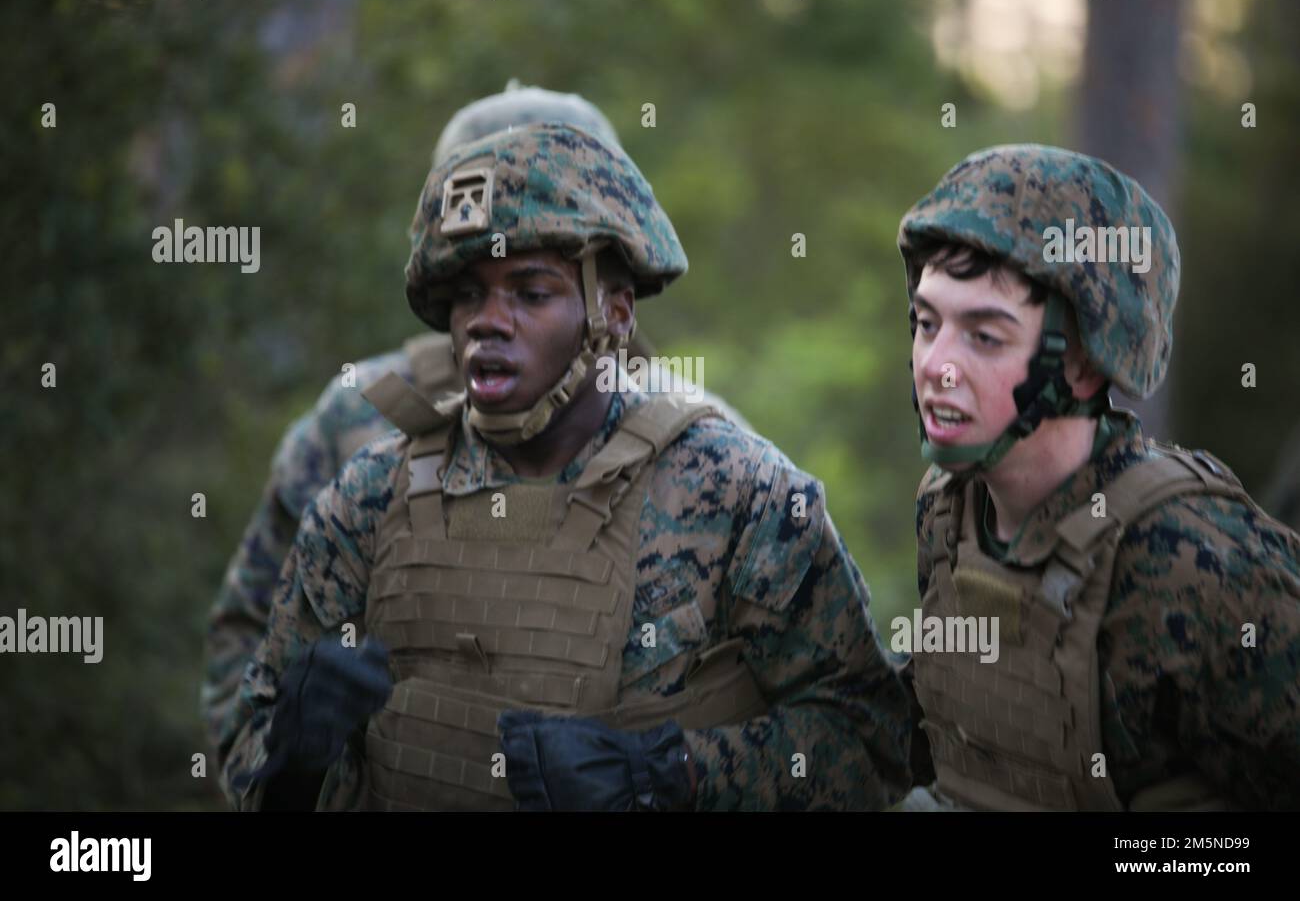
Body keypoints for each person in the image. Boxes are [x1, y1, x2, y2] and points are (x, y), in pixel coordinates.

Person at [221, 122, 909, 811]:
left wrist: (671, 774)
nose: (488, 322)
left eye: (530, 292)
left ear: (612, 312)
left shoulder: (737, 495)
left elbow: (872, 741)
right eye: (468, 294)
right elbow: (248, 742)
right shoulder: (368, 498)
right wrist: (293, 761)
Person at [200, 85, 747, 794]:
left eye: (535, 278)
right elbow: (247, 645)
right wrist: (285, 772)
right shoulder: (360, 419)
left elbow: (806, 705)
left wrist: (664, 774)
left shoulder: (705, 444)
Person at [898, 144, 1300, 810]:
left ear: (1082, 365)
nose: (935, 365)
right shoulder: (949, 511)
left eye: (984, 337)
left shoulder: (1194, 565)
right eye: (926, 323)